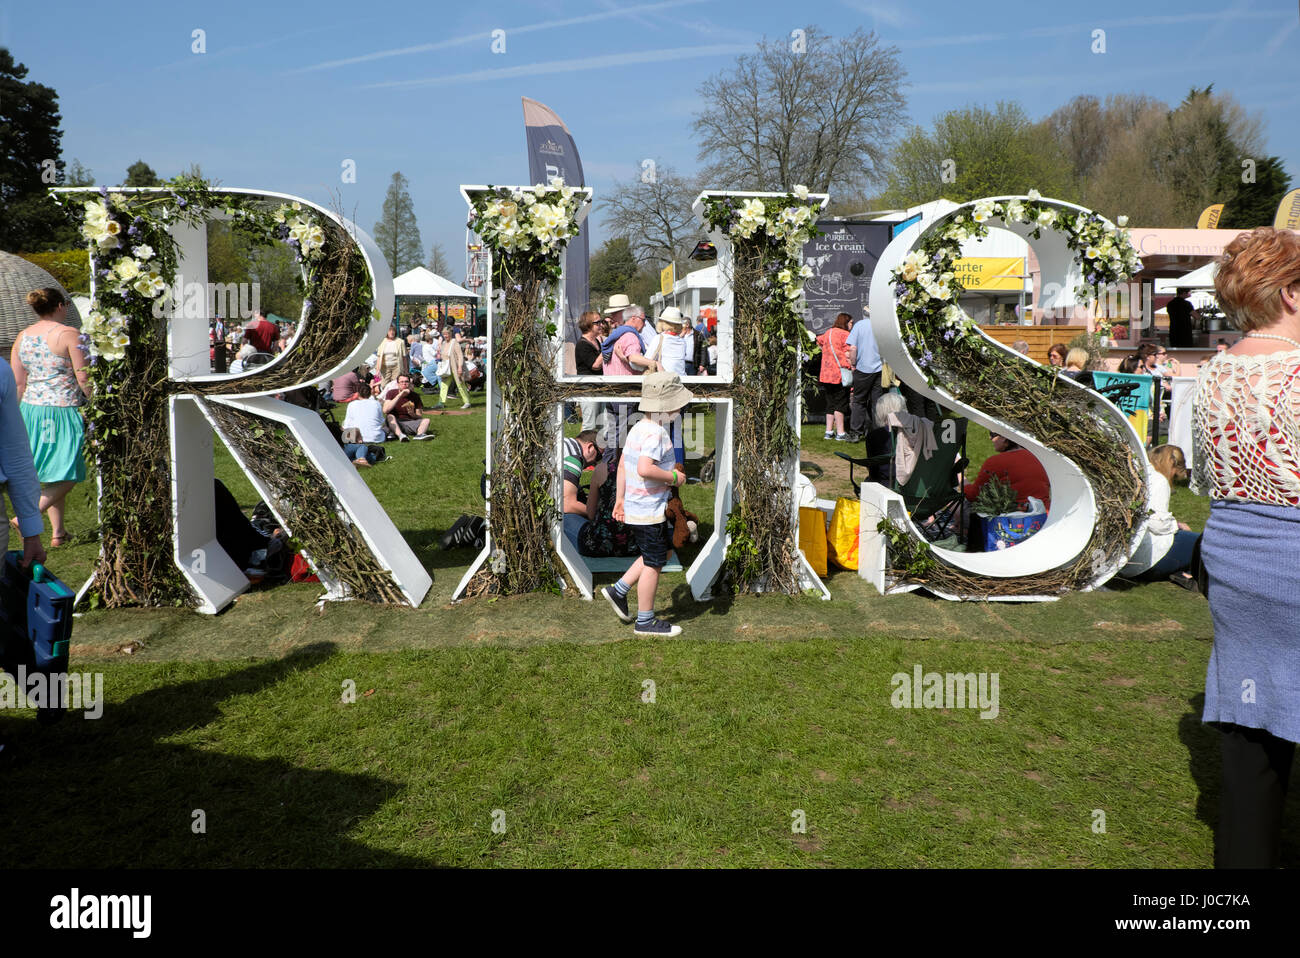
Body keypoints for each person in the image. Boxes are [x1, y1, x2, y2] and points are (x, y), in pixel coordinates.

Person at [1190, 226, 1300, 868]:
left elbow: (1206, 475)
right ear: (1289, 293)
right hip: (1289, 557)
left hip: (1233, 556)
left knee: (1251, 738)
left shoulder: (1214, 372)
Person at [601, 372, 693, 637]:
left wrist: (620, 499)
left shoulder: (638, 428)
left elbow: (623, 467)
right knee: (654, 563)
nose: (681, 408)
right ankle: (645, 621)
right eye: (678, 404)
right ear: (668, 406)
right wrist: (674, 477)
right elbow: (643, 469)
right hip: (648, 510)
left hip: (635, 506)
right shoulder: (658, 434)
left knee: (657, 552)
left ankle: (618, 590)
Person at [11, 289, 90, 546]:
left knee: (52, 473)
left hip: (30, 411)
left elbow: (19, 384)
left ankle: (58, 533)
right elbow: (83, 377)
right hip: (61, 410)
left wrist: (16, 417)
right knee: (70, 471)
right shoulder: (68, 334)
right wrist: (97, 402)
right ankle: (27, 516)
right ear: (59, 305)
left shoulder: (22, 337)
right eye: (66, 304)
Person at [1119, 444, 1198, 584]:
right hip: (1147, 559)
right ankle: (1188, 574)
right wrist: (1176, 525)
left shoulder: (1135, 474)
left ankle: (1183, 571)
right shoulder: (1160, 481)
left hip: (1124, 559)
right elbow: (1157, 523)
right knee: (1201, 542)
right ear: (1172, 466)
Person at [963, 433, 1051, 511]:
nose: (990, 438)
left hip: (1016, 520)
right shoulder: (1039, 457)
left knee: (963, 508)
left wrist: (961, 478)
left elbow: (974, 496)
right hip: (1046, 514)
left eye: (993, 434)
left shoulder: (996, 462)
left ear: (1004, 437)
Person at [561, 430, 608, 552]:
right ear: (590, 447)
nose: (595, 463)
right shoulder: (574, 457)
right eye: (598, 457)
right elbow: (567, 505)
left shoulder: (565, 443)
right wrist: (598, 514)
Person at [845, 309, 884, 441]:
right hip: (878, 368)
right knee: (877, 402)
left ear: (863, 313)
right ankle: (878, 432)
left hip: (862, 368)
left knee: (859, 401)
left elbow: (853, 348)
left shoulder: (859, 326)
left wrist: (853, 364)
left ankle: (856, 432)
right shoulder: (880, 326)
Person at [816, 313, 853, 441]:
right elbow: (849, 353)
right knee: (840, 403)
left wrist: (826, 353)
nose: (851, 325)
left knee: (830, 403)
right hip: (839, 374)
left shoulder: (828, 332)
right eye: (850, 323)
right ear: (845, 322)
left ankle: (828, 431)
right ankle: (841, 433)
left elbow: (818, 341)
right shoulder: (845, 335)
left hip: (826, 374)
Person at [574, 311, 605, 433]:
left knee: (602, 424)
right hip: (588, 389)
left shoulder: (597, 342)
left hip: (598, 387)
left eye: (601, 322)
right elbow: (595, 365)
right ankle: (583, 450)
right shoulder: (582, 345)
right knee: (590, 426)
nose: (601, 325)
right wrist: (607, 349)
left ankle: (598, 451)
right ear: (588, 325)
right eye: (597, 322)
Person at [383, 373, 432, 440]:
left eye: (406, 382)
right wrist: (399, 395)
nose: (404, 384)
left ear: (409, 383)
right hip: (394, 422)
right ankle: (401, 435)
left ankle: (419, 435)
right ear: (397, 384)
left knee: (426, 420)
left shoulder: (415, 396)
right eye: (402, 382)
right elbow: (385, 410)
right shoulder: (391, 393)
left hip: (408, 422)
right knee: (390, 416)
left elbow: (419, 416)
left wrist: (412, 414)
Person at [434, 325, 471, 410]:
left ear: (450, 334)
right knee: (444, 385)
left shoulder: (455, 343)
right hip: (447, 368)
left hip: (456, 367)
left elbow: (460, 356)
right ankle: (441, 402)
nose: (445, 336)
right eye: (444, 334)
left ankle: (467, 402)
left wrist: (460, 367)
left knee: (460, 384)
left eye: (447, 334)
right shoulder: (443, 343)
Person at [375, 325, 408, 390]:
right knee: (384, 385)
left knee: (395, 384)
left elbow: (404, 357)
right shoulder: (382, 341)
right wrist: (377, 369)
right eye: (389, 331)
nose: (391, 332)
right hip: (385, 367)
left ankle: (394, 397)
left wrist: (406, 369)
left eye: (393, 331)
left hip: (396, 366)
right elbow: (379, 357)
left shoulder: (400, 342)